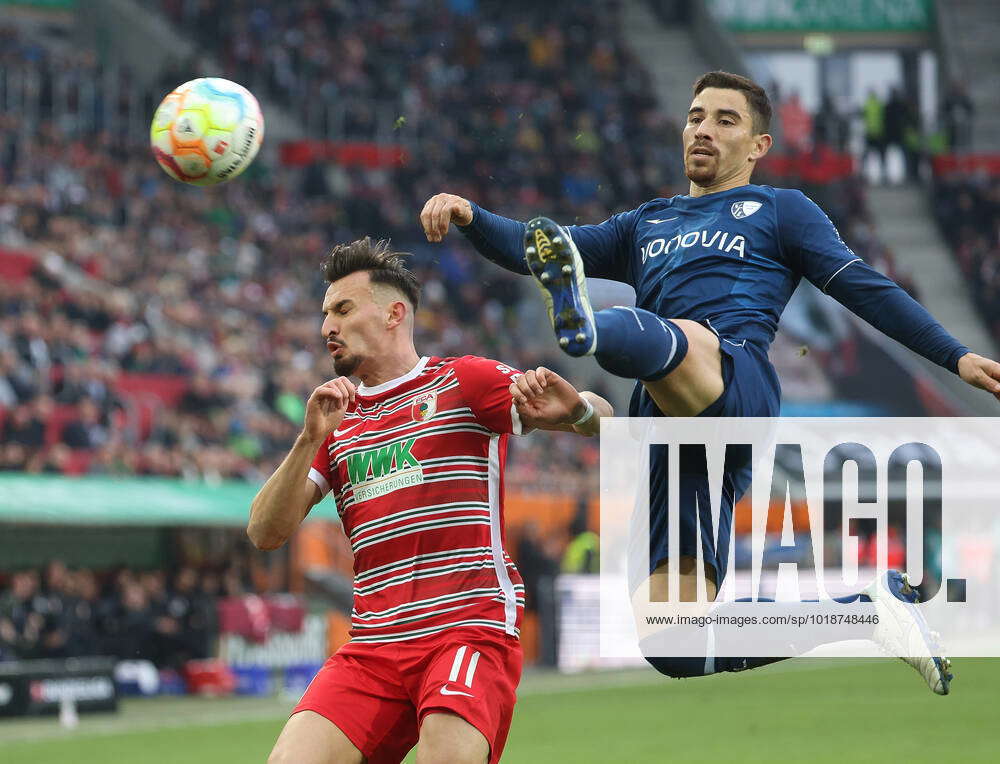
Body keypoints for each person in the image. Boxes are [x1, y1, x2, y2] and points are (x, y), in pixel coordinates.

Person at [420, 70, 1000, 696]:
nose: (704, 128)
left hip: (734, 379)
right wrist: (472, 216)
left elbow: (863, 286)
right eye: (696, 116)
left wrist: (955, 356)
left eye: (726, 120)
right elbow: (540, 247)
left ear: (758, 146)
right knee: (675, 641)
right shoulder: (645, 223)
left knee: (680, 337)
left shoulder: (781, 211)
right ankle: (865, 611)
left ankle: (592, 328)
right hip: (668, 442)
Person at [249, 238, 612, 764]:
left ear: (395, 313)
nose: (327, 327)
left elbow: (602, 414)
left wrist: (579, 410)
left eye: (343, 309)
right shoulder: (335, 425)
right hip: (373, 645)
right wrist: (307, 439)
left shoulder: (464, 381)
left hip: (466, 626)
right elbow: (264, 532)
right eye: (325, 314)